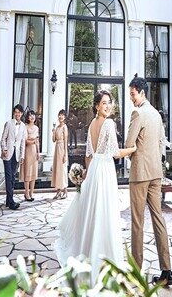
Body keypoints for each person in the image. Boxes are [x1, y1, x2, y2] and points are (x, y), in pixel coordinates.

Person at [54, 90, 136, 285]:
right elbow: (115, 153)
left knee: (94, 211)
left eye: (109, 103)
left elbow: (88, 156)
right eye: (104, 103)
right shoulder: (108, 124)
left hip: (94, 170)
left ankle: (90, 254)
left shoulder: (92, 124)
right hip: (105, 170)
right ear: (97, 106)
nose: (108, 106)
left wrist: (87, 175)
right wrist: (133, 149)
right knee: (105, 212)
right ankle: (105, 258)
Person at [126, 76, 172, 286]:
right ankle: (167, 271)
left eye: (133, 94)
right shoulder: (156, 114)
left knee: (137, 222)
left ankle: (136, 271)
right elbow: (161, 142)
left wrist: (132, 156)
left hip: (140, 173)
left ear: (142, 92)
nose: (131, 99)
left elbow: (129, 144)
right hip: (156, 172)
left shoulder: (138, 113)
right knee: (158, 219)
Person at [0, 104, 25, 210]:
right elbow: (3, 138)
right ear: (14, 113)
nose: (17, 114)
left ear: (22, 114)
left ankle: (8, 200)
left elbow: (22, 142)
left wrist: (22, 156)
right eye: (16, 112)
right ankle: (11, 202)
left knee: (13, 177)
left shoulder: (23, 126)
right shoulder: (9, 123)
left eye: (19, 112)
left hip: (16, 155)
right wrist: (4, 149)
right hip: (8, 154)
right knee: (9, 177)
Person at [21, 109, 40, 201]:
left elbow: (37, 141)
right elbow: (25, 141)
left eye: (33, 115)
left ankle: (32, 193)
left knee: (33, 173)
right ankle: (26, 193)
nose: (32, 117)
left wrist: (38, 152)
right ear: (27, 117)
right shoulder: (25, 127)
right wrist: (33, 141)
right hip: (27, 151)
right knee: (27, 172)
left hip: (34, 151)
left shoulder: (36, 128)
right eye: (30, 115)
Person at [51, 109, 69, 200]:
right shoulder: (57, 127)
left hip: (62, 149)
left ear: (65, 117)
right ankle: (58, 191)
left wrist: (65, 154)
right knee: (57, 170)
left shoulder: (64, 127)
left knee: (62, 170)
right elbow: (53, 140)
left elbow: (65, 141)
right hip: (56, 149)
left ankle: (65, 191)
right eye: (59, 115)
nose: (60, 116)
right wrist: (53, 132)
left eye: (62, 115)